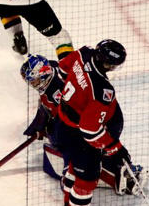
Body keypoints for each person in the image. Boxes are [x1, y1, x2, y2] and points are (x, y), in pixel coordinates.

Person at [53, 40, 147, 206]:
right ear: (109, 64)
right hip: (78, 136)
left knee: (74, 166)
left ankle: (67, 201)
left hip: (61, 123)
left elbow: (62, 70)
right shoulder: (102, 91)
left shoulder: (84, 53)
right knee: (87, 178)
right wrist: (113, 146)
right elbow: (90, 130)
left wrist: (77, 94)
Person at [20, 54, 142, 196]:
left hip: (94, 124)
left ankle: (79, 172)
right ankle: (122, 168)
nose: (33, 85)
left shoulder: (57, 92)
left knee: (71, 147)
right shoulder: (52, 68)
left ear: (43, 74)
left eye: (34, 81)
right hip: (95, 120)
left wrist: (46, 126)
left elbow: (70, 120)